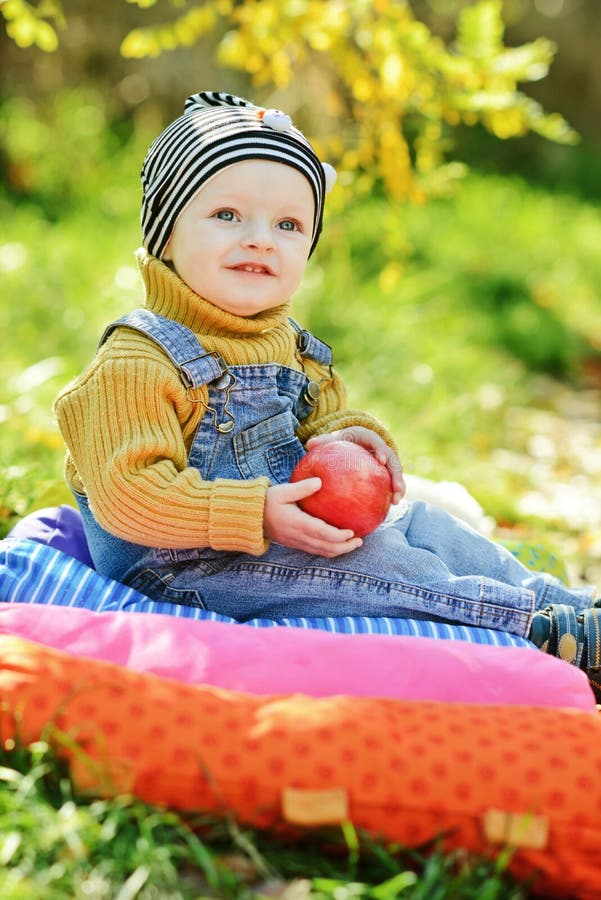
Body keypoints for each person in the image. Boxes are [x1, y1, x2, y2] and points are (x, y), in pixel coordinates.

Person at [54, 90, 601, 688]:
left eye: (288, 225)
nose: (261, 239)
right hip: (189, 565)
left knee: (426, 526)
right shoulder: (139, 359)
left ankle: (573, 605)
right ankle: (549, 634)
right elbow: (127, 493)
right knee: (382, 565)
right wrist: (256, 513)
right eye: (227, 215)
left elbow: (321, 422)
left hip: (290, 532)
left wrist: (356, 438)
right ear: (164, 234)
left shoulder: (287, 342)